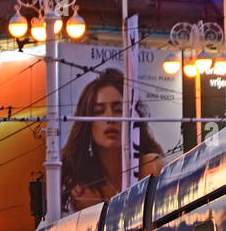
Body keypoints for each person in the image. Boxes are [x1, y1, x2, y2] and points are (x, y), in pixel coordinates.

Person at [60, 69, 165, 213]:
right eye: (98, 111)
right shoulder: (83, 190)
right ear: (87, 124)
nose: (110, 118)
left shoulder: (151, 167)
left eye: (118, 109)